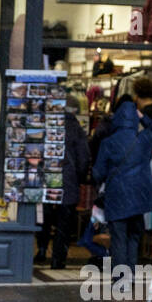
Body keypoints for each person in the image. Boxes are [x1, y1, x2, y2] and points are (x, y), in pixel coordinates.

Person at [92, 98, 152, 281]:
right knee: (133, 237)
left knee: (119, 238)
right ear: (134, 119)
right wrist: (143, 117)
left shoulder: (108, 142)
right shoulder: (144, 139)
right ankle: (130, 274)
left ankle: (121, 278)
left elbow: (98, 172)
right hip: (139, 197)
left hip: (117, 196)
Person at [36, 94, 92, 269]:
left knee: (45, 216)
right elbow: (84, 158)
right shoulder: (77, 129)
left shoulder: (48, 125)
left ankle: (42, 249)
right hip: (68, 178)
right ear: (75, 110)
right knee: (64, 220)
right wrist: (80, 177)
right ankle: (58, 258)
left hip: (48, 175)